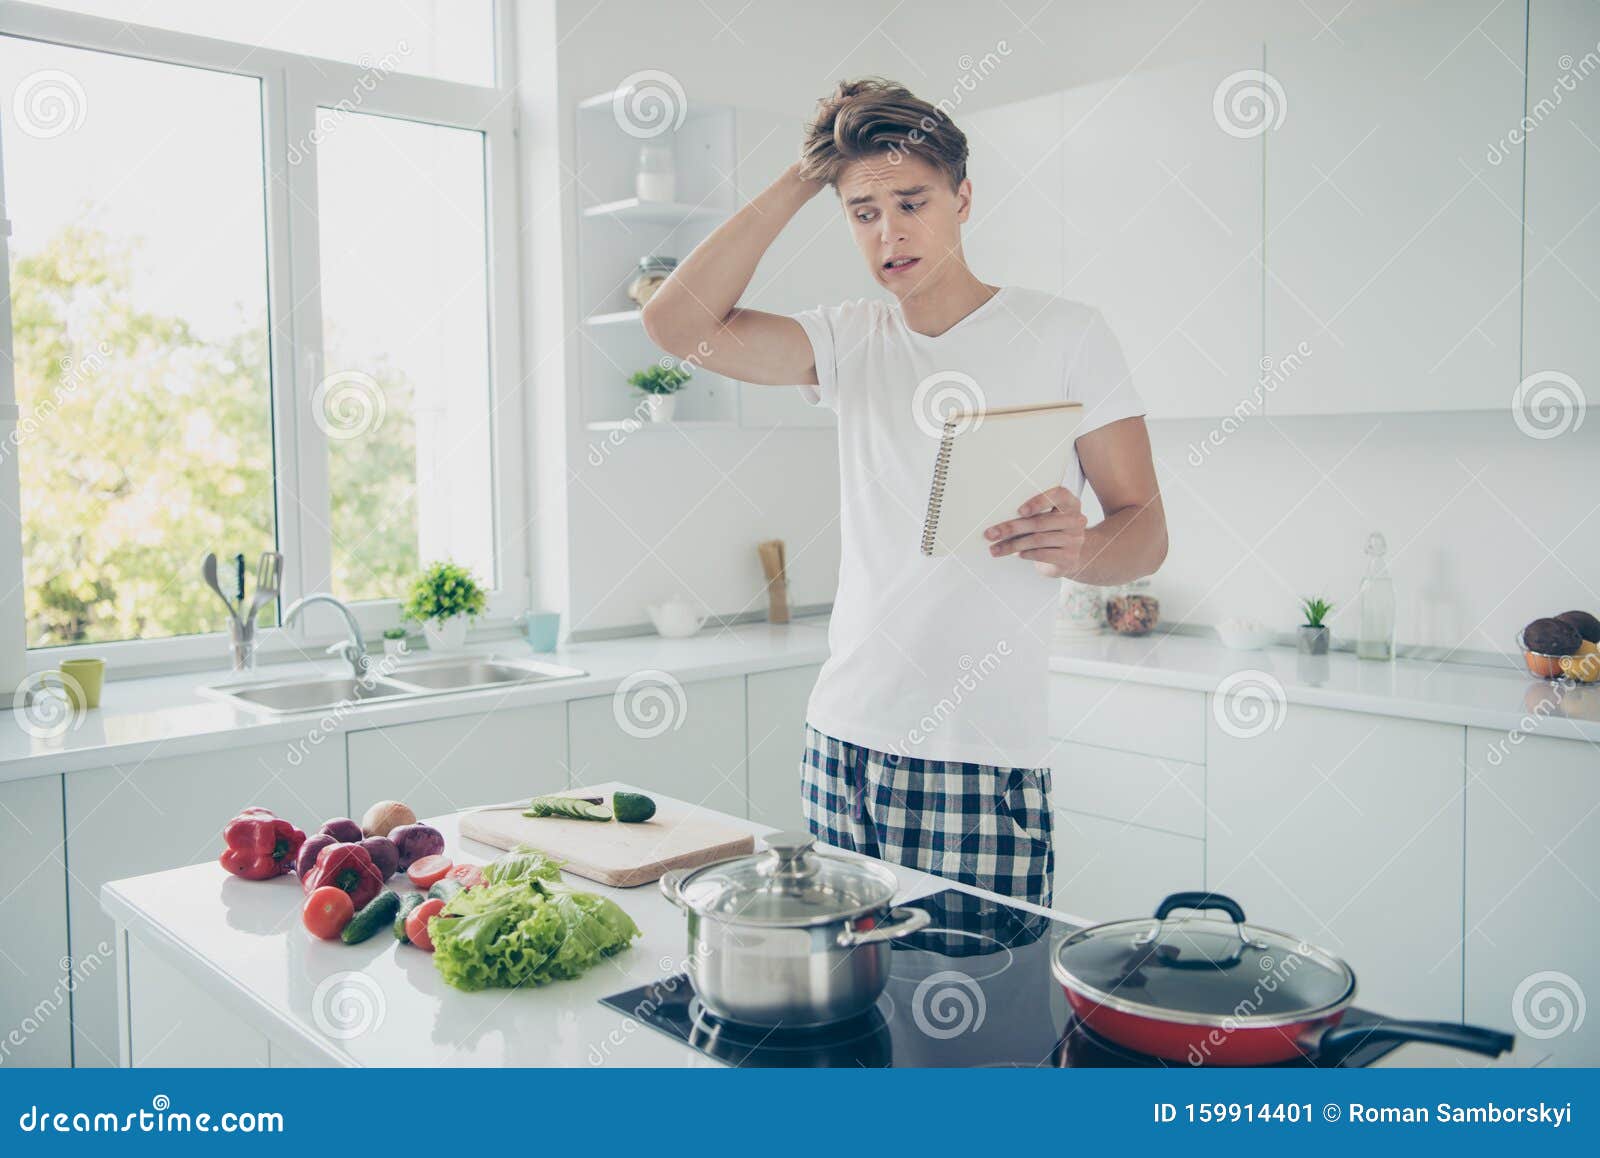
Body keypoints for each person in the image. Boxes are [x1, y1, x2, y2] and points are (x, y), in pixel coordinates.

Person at [642, 78, 1167, 908]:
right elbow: (676, 326)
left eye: (912, 201)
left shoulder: (1068, 334)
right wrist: (802, 178)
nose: (888, 233)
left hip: (981, 758)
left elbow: (1146, 531)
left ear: (963, 197)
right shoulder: (850, 340)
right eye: (862, 212)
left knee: (982, 1022)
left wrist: (1084, 547)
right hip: (842, 745)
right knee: (847, 1018)